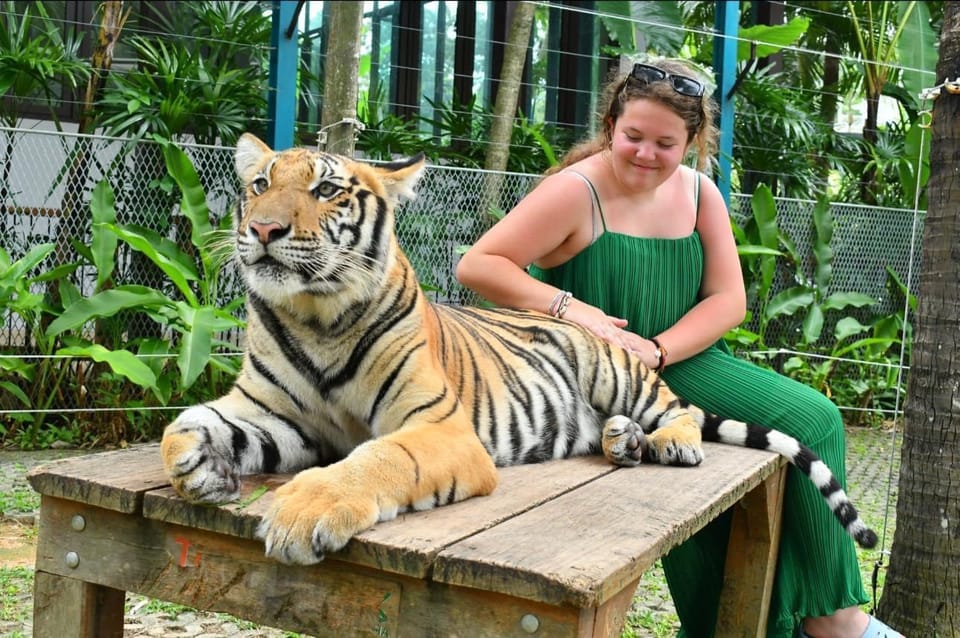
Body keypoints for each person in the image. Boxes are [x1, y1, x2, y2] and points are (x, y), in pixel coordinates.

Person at [455, 58, 903, 638]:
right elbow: (479, 264)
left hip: (683, 361)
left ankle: (831, 616)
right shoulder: (576, 190)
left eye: (665, 144)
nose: (645, 154)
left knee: (813, 419)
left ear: (692, 143)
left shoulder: (699, 193)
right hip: (597, 375)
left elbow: (728, 300)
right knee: (798, 428)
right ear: (611, 124)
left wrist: (659, 351)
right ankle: (832, 624)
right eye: (633, 136)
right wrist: (573, 308)